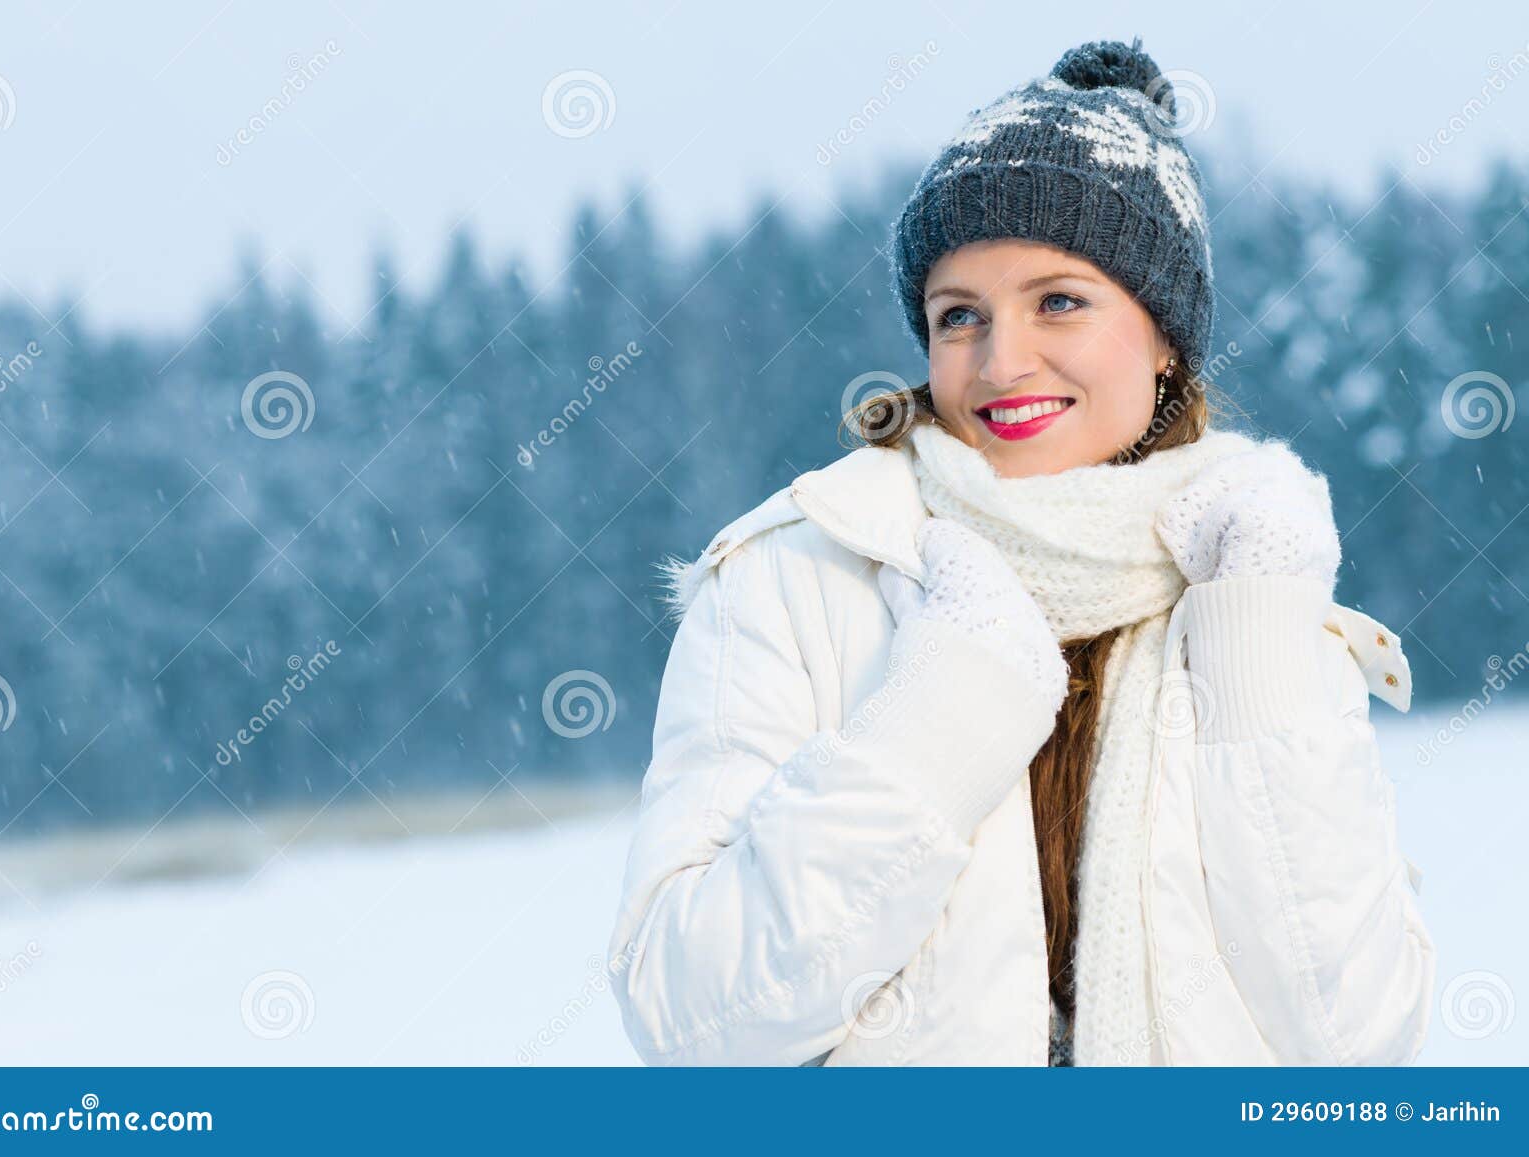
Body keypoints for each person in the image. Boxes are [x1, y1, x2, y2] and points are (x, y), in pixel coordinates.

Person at [605, 36, 1434, 1066]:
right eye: (960, 316)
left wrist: (1257, 643)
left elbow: (1355, 1046)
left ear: (1166, 335)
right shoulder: (799, 577)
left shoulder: (1248, 587)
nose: (1002, 360)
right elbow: (694, 1025)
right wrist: (940, 715)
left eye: (1058, 301)